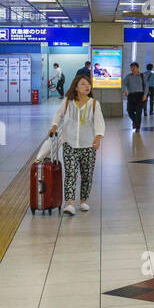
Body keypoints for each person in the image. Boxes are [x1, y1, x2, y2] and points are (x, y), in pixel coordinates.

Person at [49, 74, 105, 216]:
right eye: (83, 84)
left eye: (88, 84)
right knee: (71, 173)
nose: (87, 87)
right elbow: (58, 114)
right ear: (76, 87)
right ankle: (70, 203)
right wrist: (54, 126)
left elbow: (99, 122)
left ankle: (83, 201)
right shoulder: (68, 101)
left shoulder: (94, 104)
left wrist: (98, 138)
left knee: (87, 174)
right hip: (70, 143)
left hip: (88, 145)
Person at [124, 62, 147, 131]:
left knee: (138, 112)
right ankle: (135, 121)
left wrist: (145, 95)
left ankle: (137, 127)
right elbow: (123, 84)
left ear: (137, 68)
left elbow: (146, 86)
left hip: (140, 95)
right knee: (129, 110)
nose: (133, 69)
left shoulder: (142, 76)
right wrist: (124, 90)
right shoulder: (128, 76)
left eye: (134, 67)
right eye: (131, 67)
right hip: (131, 95)